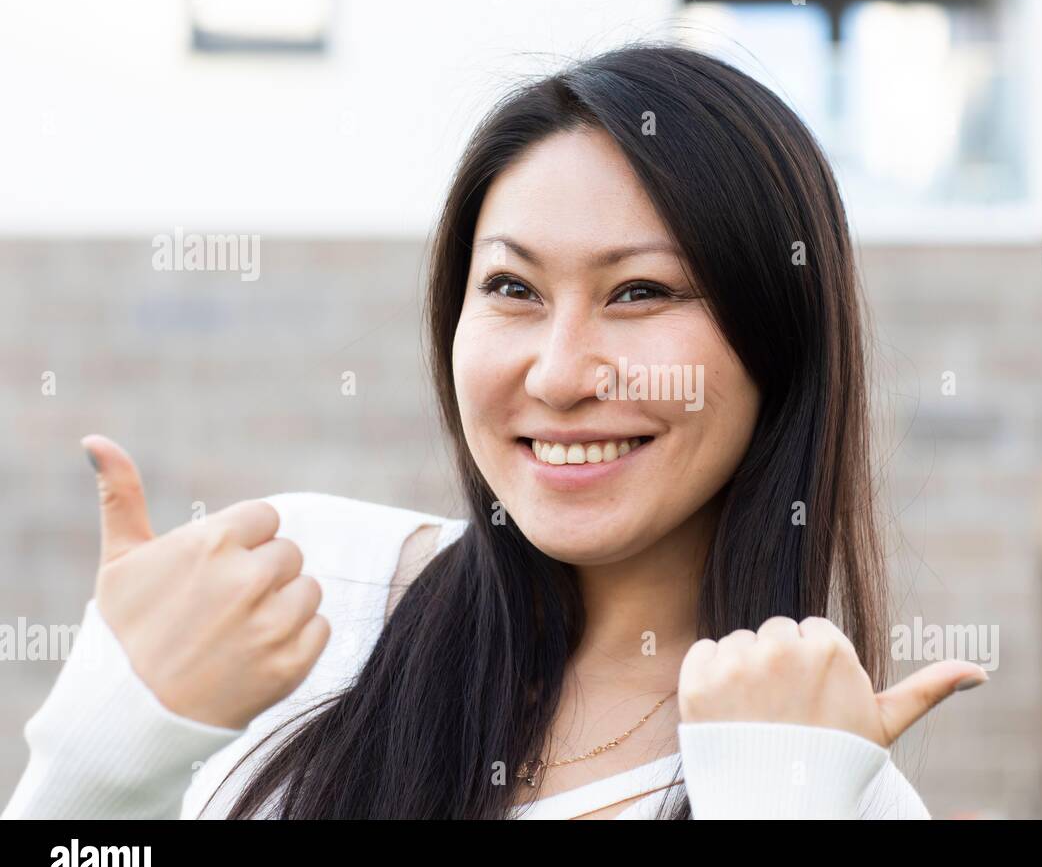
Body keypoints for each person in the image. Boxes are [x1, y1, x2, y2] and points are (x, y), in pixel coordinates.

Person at [2, 42, 986, 821]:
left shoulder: (824, 777)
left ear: (779, 336)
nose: (557, 374)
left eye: (639, 291)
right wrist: (104, 758)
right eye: (512, 288)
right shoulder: (291, 589)